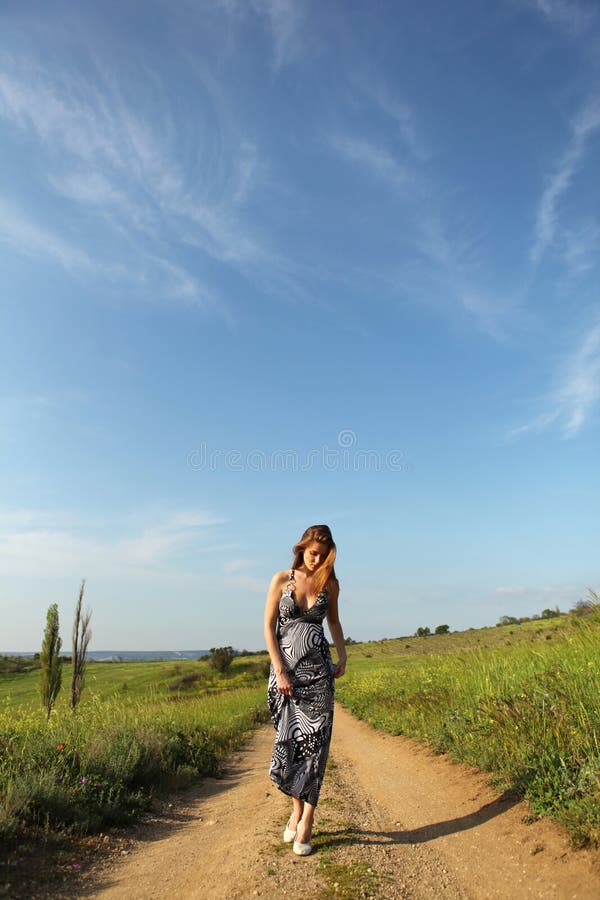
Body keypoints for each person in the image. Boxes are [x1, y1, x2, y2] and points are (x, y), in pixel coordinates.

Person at [264, 524, 346, 856]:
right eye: (313, 553)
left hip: (319, 677)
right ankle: (296, 807)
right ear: (302, 548)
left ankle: (308, 820)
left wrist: (343, 654)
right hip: (284, 679)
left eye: (323, 556)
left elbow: (334, 623)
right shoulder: (282, 579)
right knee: (290, 745)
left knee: (316, 746)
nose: (316, 560)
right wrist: (280, 669)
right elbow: (269, 626)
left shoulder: (331, 583)